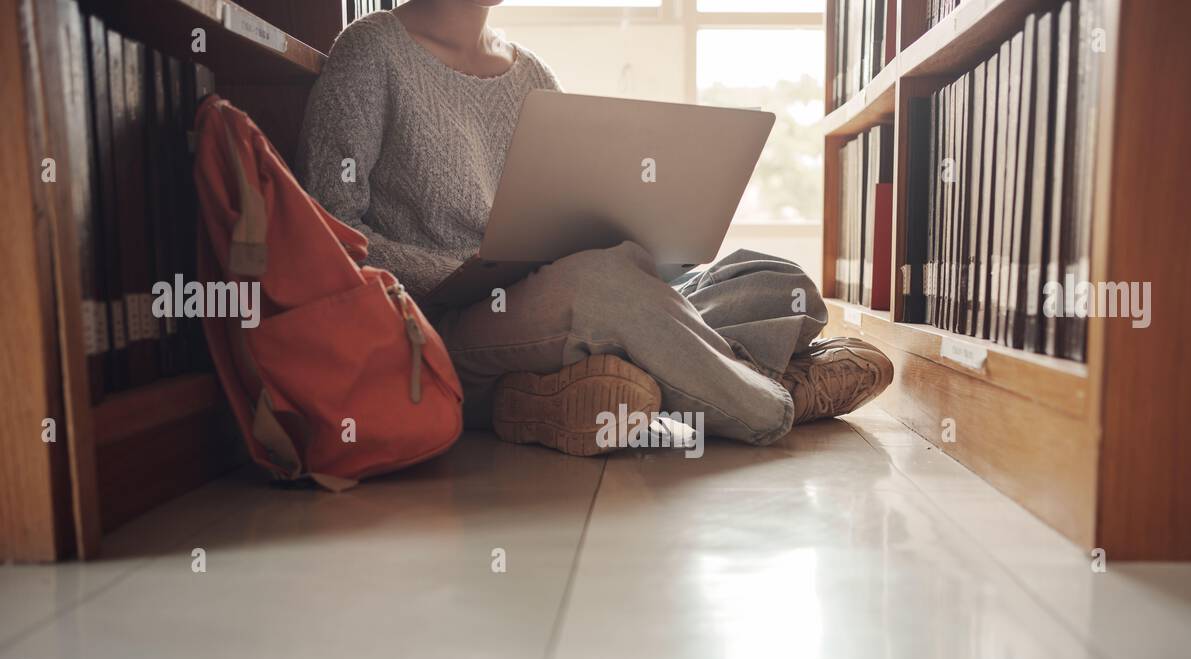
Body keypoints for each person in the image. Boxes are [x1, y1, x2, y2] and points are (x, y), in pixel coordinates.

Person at [298, 0, 892, 455]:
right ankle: (773, 400)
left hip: (559, 292)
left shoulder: (531, 73)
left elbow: (568, 205)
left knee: (775, 280)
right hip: (446, 320)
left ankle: (600, 387)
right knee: (604, 287)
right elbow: (327, 231)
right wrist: (459, 273)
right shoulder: (369, 51)